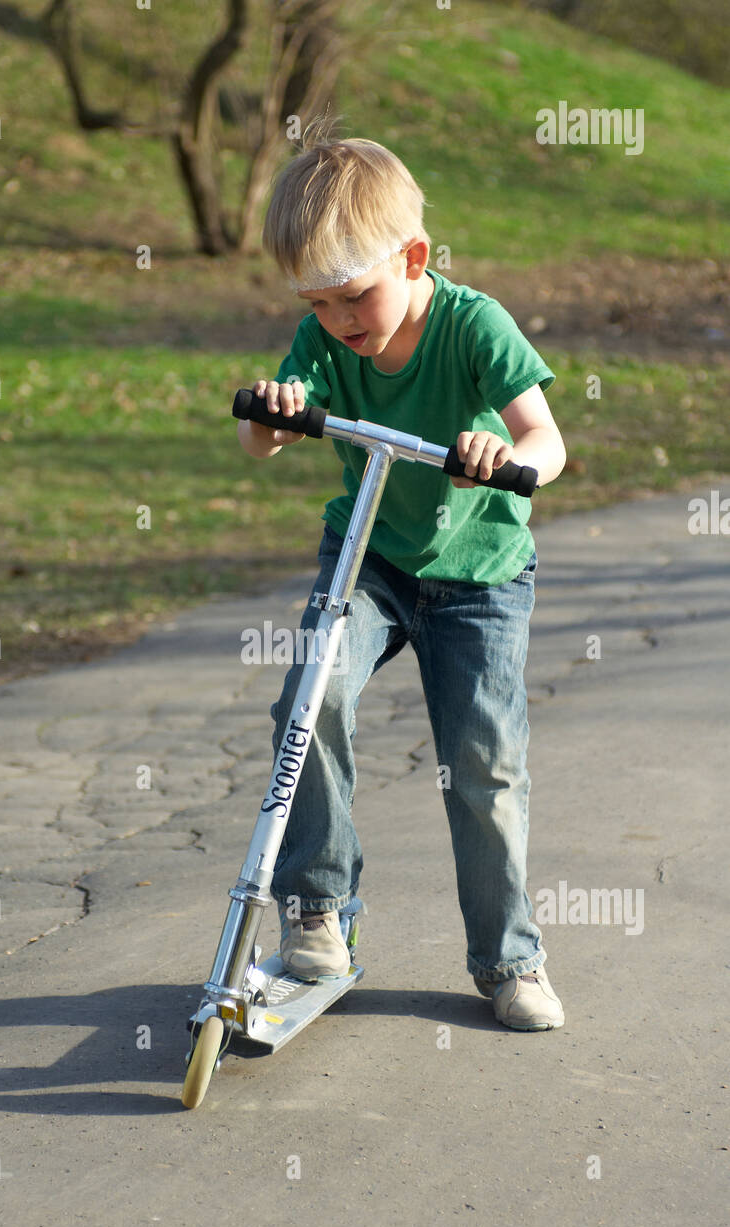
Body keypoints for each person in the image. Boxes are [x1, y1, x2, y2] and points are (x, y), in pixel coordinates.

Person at [236, 124, 567, 1030]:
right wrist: (276, 410)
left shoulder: (473, 324)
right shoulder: (321, 339)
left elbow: (550, 441)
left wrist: (502, 451)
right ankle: (319, 913)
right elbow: (257, 440)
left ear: (414, 257)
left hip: (481, 579)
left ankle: (509, 961)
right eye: (318, 301)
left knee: (482, 768)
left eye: (354, 296)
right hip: (371, 562)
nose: (340, 320)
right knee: (310, 695)